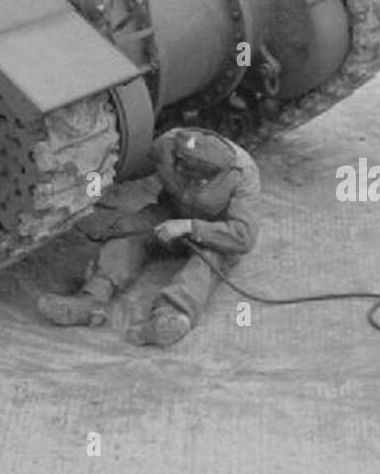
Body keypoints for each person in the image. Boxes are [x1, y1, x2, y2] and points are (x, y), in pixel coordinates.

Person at [38, 128, 260, 347]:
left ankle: (170, 316)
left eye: (200, 179)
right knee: (129, 230)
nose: (191, 180)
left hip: (214, 231)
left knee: (209, 260)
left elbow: (243, 236)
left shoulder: (243, 174)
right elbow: (120, 160)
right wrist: (90, 183)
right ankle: (91, 300)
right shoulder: (168, 144)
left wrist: (190, 227)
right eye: (183, 169)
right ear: (178, 158)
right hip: (169, 213)